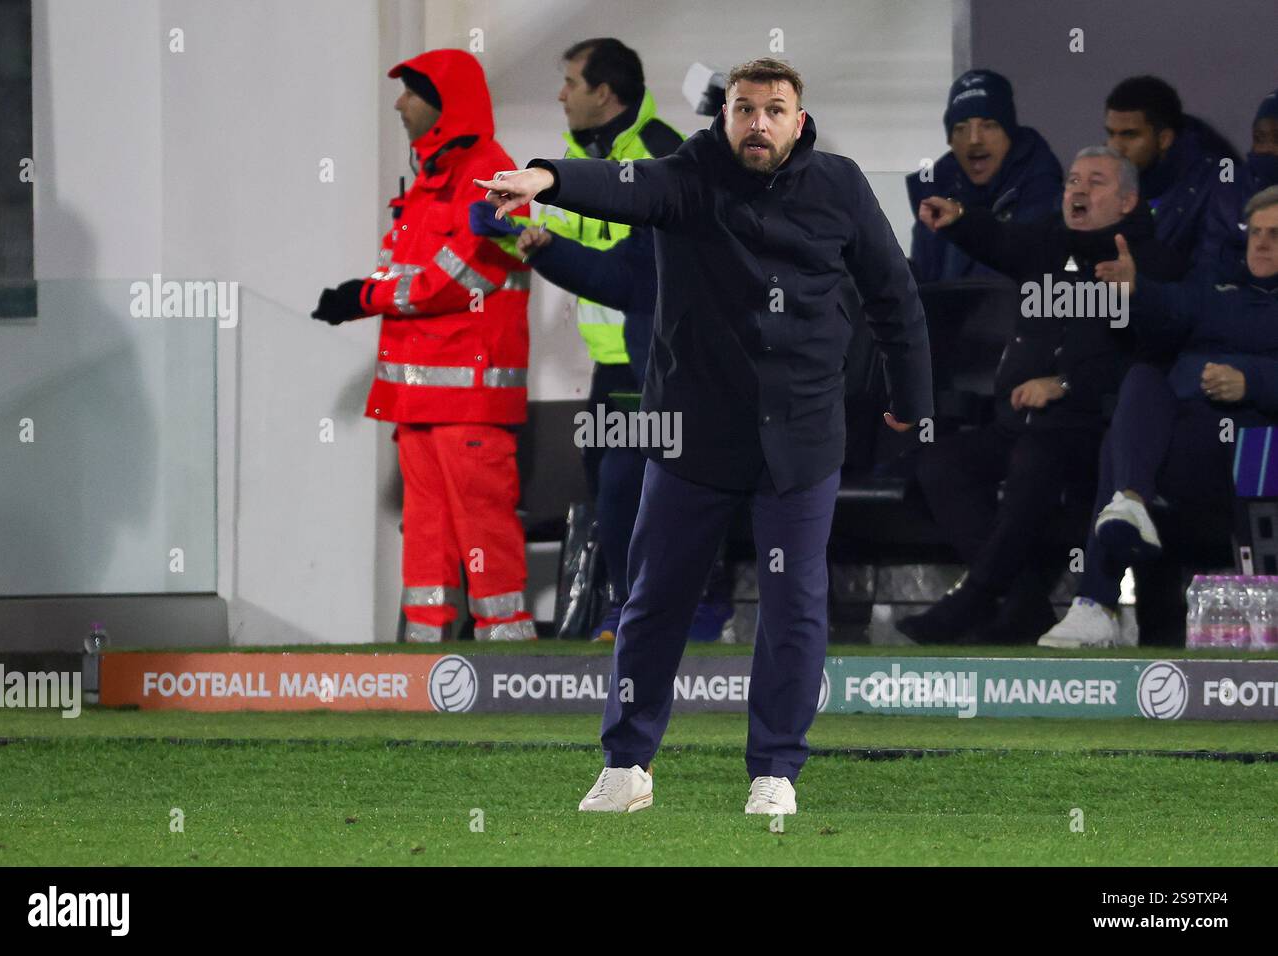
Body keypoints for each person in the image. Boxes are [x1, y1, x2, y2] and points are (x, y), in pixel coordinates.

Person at [476, 58, 932, 814]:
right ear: (725, 117)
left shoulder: (841, 185)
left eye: (773, 109)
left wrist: (911, 398)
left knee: (793, 606)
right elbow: (626, 188)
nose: (757, 123)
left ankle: (775, 772)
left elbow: (895, 295)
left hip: (802, 434)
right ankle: (626, 765)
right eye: (744, 109)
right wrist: (545, 178)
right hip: (695, 433)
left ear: (799, 118)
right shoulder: (691, 173)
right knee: (654, 600)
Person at [900, 147, 1190, 644]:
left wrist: (1067, 383)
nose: (1077, 189)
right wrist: (959, 220)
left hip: (1091, 430)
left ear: (1126, 201)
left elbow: (1156, 359)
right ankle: (1023, 603)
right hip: (1019, 423)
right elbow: (1001, 239)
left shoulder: (1152, 262)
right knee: (942, 463)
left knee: (1034, 460)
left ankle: (978, 596)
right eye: (1073, 180)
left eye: (1094, 182)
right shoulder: (1047, 245)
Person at [310, 49, 536, 642]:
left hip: (469, 395)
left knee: (482, 524)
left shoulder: (491, 172)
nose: (398, 103)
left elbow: (462, 277)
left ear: (442, 102)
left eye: (410, 91)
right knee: (429, 528)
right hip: (421, 397)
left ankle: (510, 657)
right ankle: (422, 653)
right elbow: (416, 275)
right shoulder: (434, 177)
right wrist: (366, 294)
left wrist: (362, 297)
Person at [1040, 185, 1278, 647]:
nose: (1263, 243)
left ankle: (1097, 601)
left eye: (1277, 234)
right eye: (1257, 233)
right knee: (1145, 378)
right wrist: (1136, 290)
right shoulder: (1217, 283)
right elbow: (1173, 306)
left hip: (1252, 449)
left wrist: (1253, 381)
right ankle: (1128, 504)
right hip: (1187, 439)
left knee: (1118, 448)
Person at [506, 38, 686, 643]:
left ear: (603, 93)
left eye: (570, 83)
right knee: (609, 480)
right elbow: (592, 261)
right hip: (612, 365)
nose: (561, 95)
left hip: (662, 364)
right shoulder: (571, 161)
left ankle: (643, 614)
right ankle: (632, 610)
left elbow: (641, 274)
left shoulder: (660, 155)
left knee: (632, 482)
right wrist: (535, 243)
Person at [906, 69, 1062, 284]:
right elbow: (924, 287)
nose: (974, 139)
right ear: (950, 140)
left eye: (989, 125)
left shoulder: (1045, 194)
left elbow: (1031, 267)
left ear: (1010, 134)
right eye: (960, 128)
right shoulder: (935, 194)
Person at [1103, 75, 1245, 271]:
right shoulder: (1100, 172)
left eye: (1130, 135)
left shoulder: (1219, 189)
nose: (1115, 147)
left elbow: (1213, 281)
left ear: (1164, 139)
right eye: (1111, 134)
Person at [1205, 87, 1278, 283]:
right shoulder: (1230, 190)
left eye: (1277, 139)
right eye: (1259, 139)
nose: (1266, 149)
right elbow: (1211, 260)